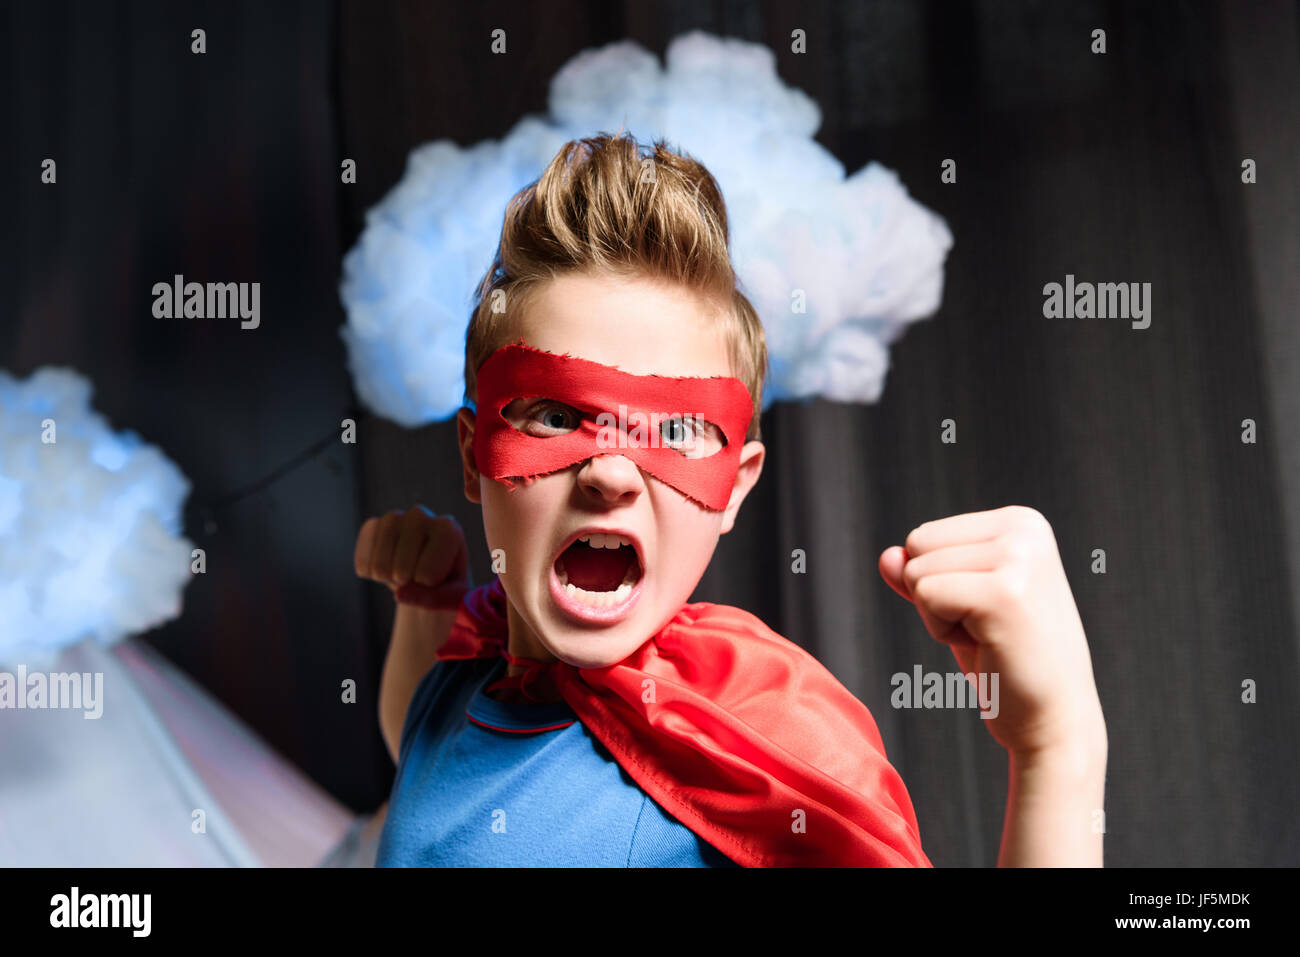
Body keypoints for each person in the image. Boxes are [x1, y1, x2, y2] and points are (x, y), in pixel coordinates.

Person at [356, 132, 1108, 867]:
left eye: (678, 429)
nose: (612, 474)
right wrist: (428, 604)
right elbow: (427, 755)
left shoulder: (758, 756)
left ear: (735, 489)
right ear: (473, 454)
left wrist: (1057, 750)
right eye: (556, 417)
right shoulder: (465, 677)